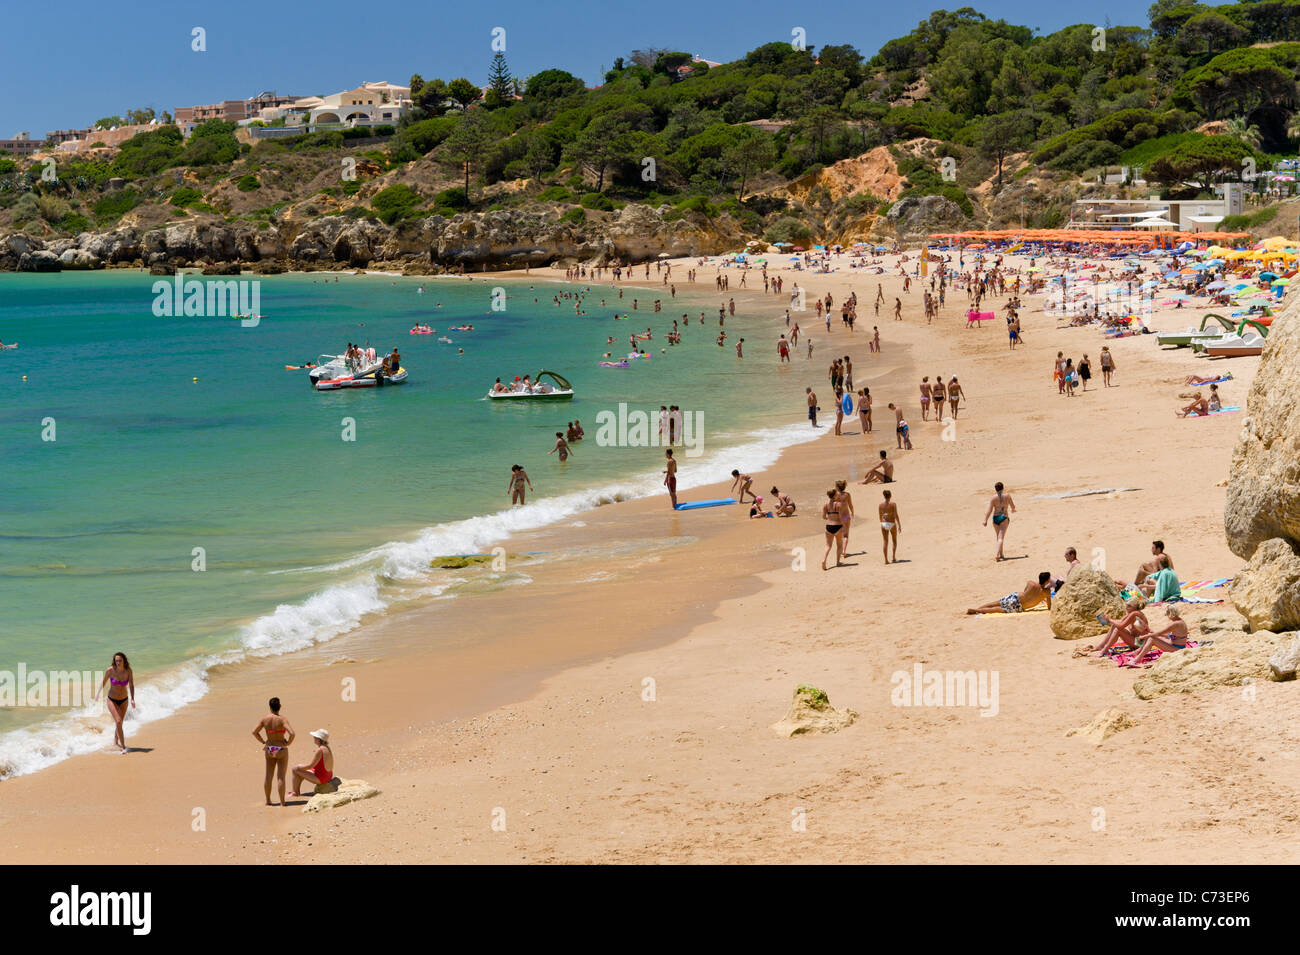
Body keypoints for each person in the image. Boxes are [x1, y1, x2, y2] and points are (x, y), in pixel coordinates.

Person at [252, 697, 295, 807]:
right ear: (279, 707)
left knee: (268, 776)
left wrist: (263, 742)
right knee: (281, 777)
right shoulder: (282, 720)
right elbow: (292, 733)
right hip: (281, 748)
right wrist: (288, 743)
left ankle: (268, 800)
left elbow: (254, 732)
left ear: (270, 707)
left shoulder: (265, 719)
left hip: (270, 748)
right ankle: (282, 802)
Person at [1123, 605, 1190, 668]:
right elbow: (1168, 635)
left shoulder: (1175, 624)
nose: (1167, 616)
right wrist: (1152, 632)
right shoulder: (1180, 621)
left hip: (1177, 648)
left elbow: (1160, 633)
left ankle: (1135, 661)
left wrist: (1145, 636)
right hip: (1174, 643)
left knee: (1151, 639)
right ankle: (1138, 651)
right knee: (1151, 636)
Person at [94, 652, 134, 754]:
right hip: (112, 699)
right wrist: (97, 693)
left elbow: (131, 685)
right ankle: (124, 746)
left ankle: (115, 741)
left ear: (124, 660)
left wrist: (133, 699)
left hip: (124, 700)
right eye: (116, 660)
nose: (118, 662)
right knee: (118, 721)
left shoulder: (128, 671)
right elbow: (103, 682)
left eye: (120, 660)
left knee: (119, 722)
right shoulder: (110, 670)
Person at [966, 572, 1053, 614]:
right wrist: (1042, 599)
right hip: (1020, 607)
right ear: (1047, 580)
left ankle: (978, 608)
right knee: (996, 609)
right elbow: (1049, 607)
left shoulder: (1031, 583)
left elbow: (1025, 591)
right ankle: (977, 610)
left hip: (1016, 597)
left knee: (994, 603)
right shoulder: (1047, 592)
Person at [290, 729, 334, 797]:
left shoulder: (320, 750)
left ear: (319, 739)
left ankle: (295, 793)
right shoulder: (327, 747)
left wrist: (298, 767)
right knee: (300, 769)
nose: (313, 738)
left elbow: (310, 766)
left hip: (321, 778)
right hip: (328, 775)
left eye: (315, 737)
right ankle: (296, 791)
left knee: (294, 770)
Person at [984, 482, 1015, 561]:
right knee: (1001, 538)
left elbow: (989, 510)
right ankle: (997, 554)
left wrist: (985, 520)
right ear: (1003, 488)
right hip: (1004, 517)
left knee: (998, 537)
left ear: (995, 489)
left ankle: (1001, 554)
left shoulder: (993, 498)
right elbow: (1013, 506)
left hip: (995, 518)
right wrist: (1013, 510)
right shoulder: (1007, 496)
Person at [822, 489, 847, 570]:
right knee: (839, 545)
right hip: (838, 526)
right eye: (836, 494)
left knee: (828, 546)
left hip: (828, 526)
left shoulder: (825, 505)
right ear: (834, 496)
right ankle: (838, 562)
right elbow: (841, 517)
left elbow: (823, 517)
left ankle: (824, 560)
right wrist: (844, 525)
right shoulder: (839, 504)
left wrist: (829, 518)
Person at [878, 489, 900, 564]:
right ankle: (893, 557)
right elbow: (895, 515)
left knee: (885, 541)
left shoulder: (880, 505)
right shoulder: (893, 504)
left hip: (884, 523)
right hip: (891, 523)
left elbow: (880, 516)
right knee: (894, 540)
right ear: (890, 495)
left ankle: (886, 560)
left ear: (884, 496)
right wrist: (899, 524)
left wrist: (882, 523)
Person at [834, 479, 855, 550]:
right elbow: (850, 505)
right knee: (846, 535)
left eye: (835, 486)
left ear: (837, 487)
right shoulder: (847, 495)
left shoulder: (835, 495)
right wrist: (852, 512)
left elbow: (832, 506)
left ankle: (840, 549)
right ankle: (844, 550)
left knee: (839, 535)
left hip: (838, 517)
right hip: (846, 517)